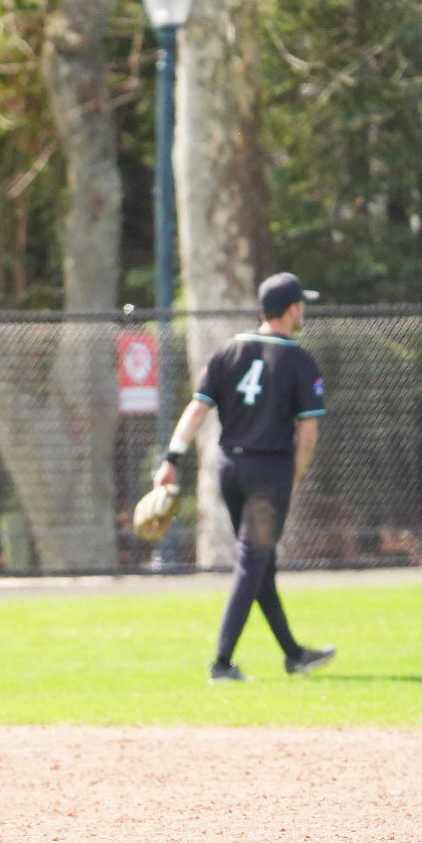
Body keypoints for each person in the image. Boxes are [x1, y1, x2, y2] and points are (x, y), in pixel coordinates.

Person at [154, 272, 337, 682]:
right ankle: (222, 663)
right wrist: (293, 476)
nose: (302, 310)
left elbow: (198, 410)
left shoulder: (226, 352)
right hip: (268, 474)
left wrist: (171, 458)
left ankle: (295, 655)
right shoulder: (298, 360)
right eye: (301, 304)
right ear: (292, 310)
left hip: (230, 469)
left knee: (262, 564)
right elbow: (308, 435)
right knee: (252, 560)